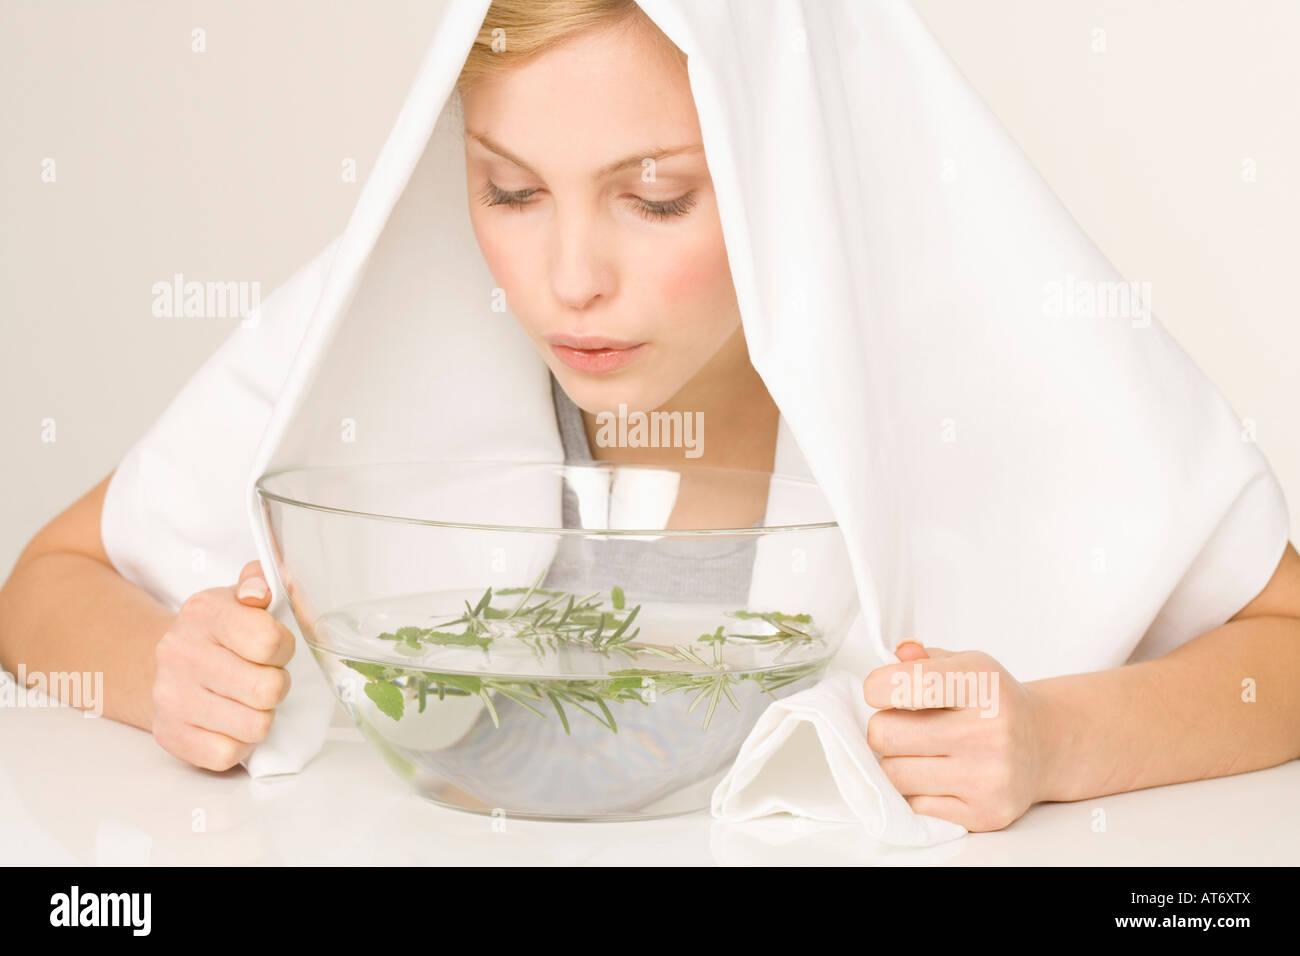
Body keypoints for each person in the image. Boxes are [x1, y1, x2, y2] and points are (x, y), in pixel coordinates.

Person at [2, 0, 1297, 834]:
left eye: (659, 198)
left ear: (800, 169)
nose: (569, 280)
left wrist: (1059, 739)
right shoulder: (382, 338)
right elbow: (42, 587)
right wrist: (163, 674)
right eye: (509, 190)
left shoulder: (980, 357)